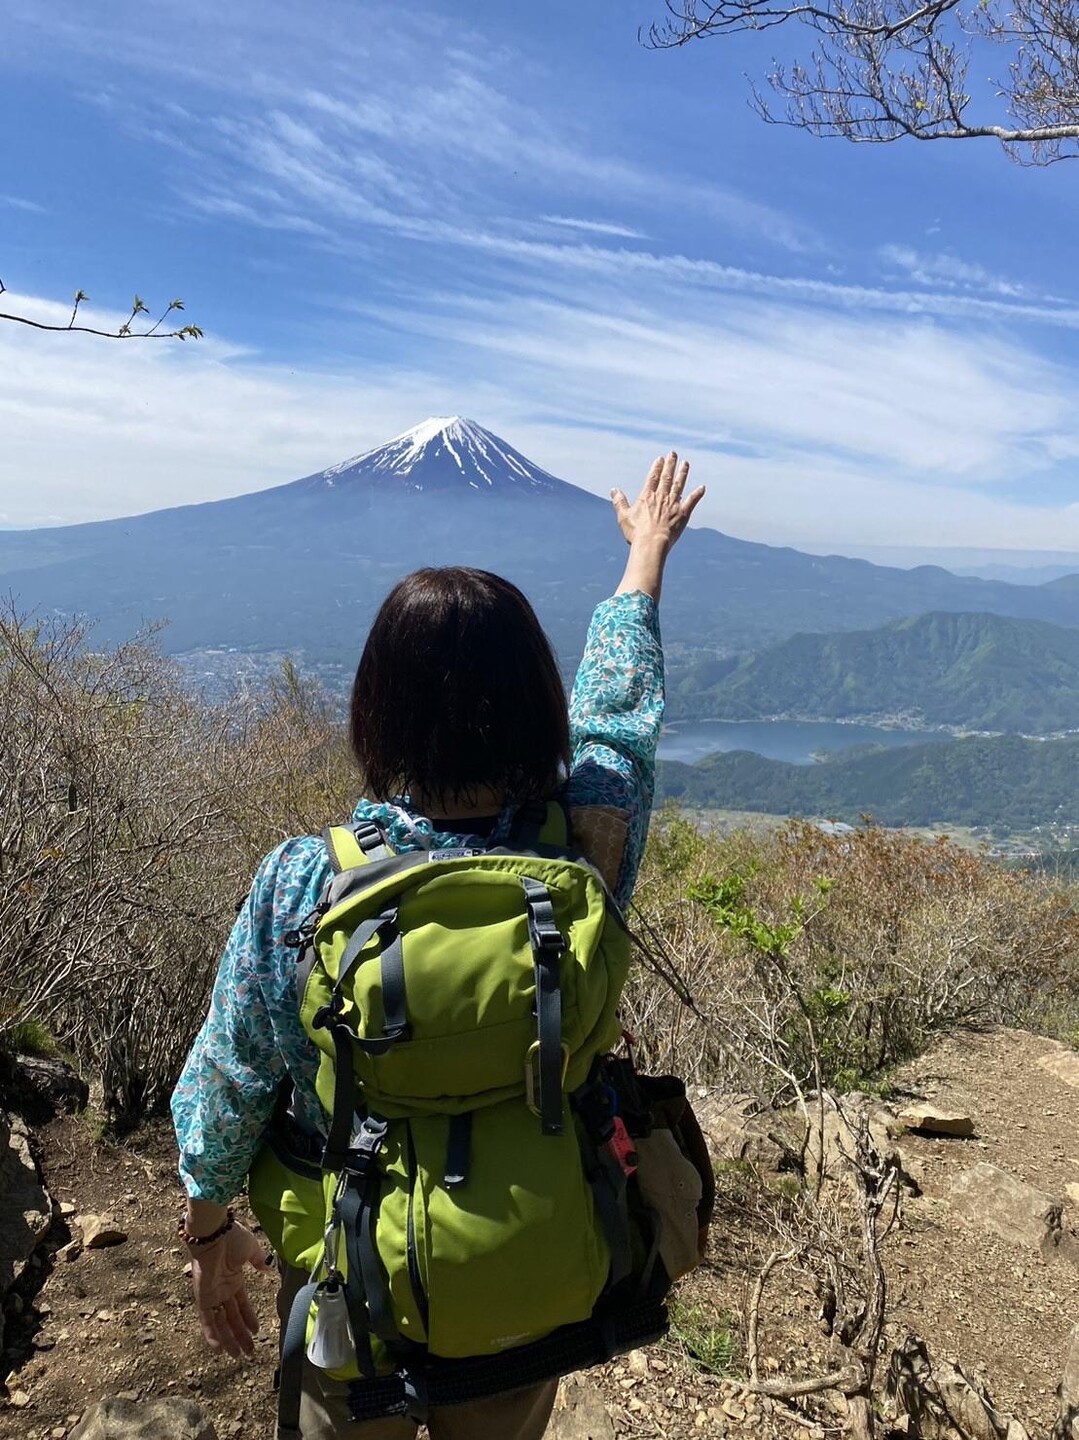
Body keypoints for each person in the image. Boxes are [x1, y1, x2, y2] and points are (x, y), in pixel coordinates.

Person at [171, 450, 705, 1439]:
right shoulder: (583, 851)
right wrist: (644, 556)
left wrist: (208, 1236)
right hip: (525, 1268)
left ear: (377, 707)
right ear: (535, 703)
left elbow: (227, 1078)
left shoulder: (305, 879)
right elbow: (617, 719)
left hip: (348, 1276)